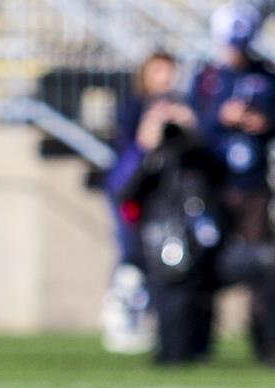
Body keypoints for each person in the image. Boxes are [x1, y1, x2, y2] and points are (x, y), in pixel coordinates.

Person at [191, 3, 275, 368]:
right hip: (212, 188)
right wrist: (220, 118)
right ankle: (196, 343)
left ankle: (270, 346)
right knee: (200, 262)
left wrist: (263, 123)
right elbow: (192, 129)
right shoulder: (206, 78)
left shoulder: (268, 77)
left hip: (253, 188)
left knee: (266, 266)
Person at [121, 96, 229, 365]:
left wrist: (196, 131)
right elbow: (125, 192)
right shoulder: (152, 157)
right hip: (161, 242)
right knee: (171, 282)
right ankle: (172, 349)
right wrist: (145, 148)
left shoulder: (199, 156)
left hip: (201, 242)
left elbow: (221, 173)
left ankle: (195, 348)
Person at [101, 50, 181, 355]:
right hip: (131, 191)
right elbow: (132, 152)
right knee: (130, 256)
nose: (166, 78)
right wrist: (151, 129)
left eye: (169, 71)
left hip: (163, 196)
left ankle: (151, 321)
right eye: (159, 71)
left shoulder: (179, 105)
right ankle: (121, 320)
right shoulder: (134, 107)